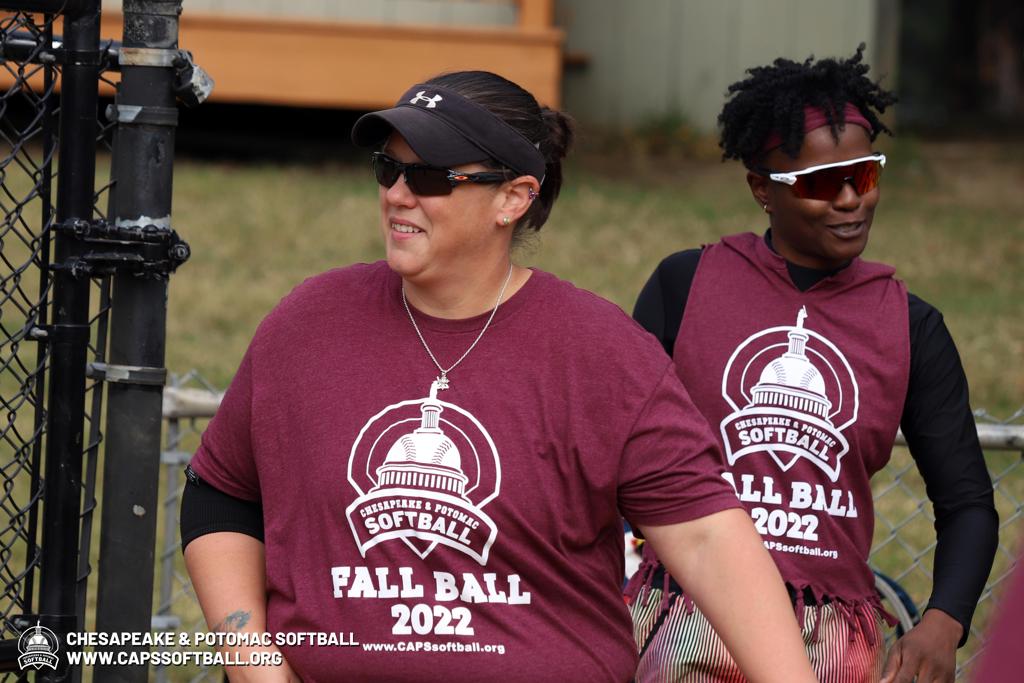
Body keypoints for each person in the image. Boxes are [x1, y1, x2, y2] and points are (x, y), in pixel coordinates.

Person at [180, 71, 817, 682]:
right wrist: (249, 655)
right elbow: (222, 491)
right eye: (388, 168)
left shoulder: (600, 352)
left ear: (513, 198)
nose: (398, 194)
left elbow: (707, 538)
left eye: (429, 176)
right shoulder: (309, 323)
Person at [626, 45, 999, 683]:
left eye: (867, 176)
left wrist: (944, 622)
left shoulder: (910, 325)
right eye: (824, 183)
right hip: (685, 603)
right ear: (762, 189)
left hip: (827, 626)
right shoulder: (685, 286)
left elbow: (966, 501)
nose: (851, 199)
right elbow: (614, 454)